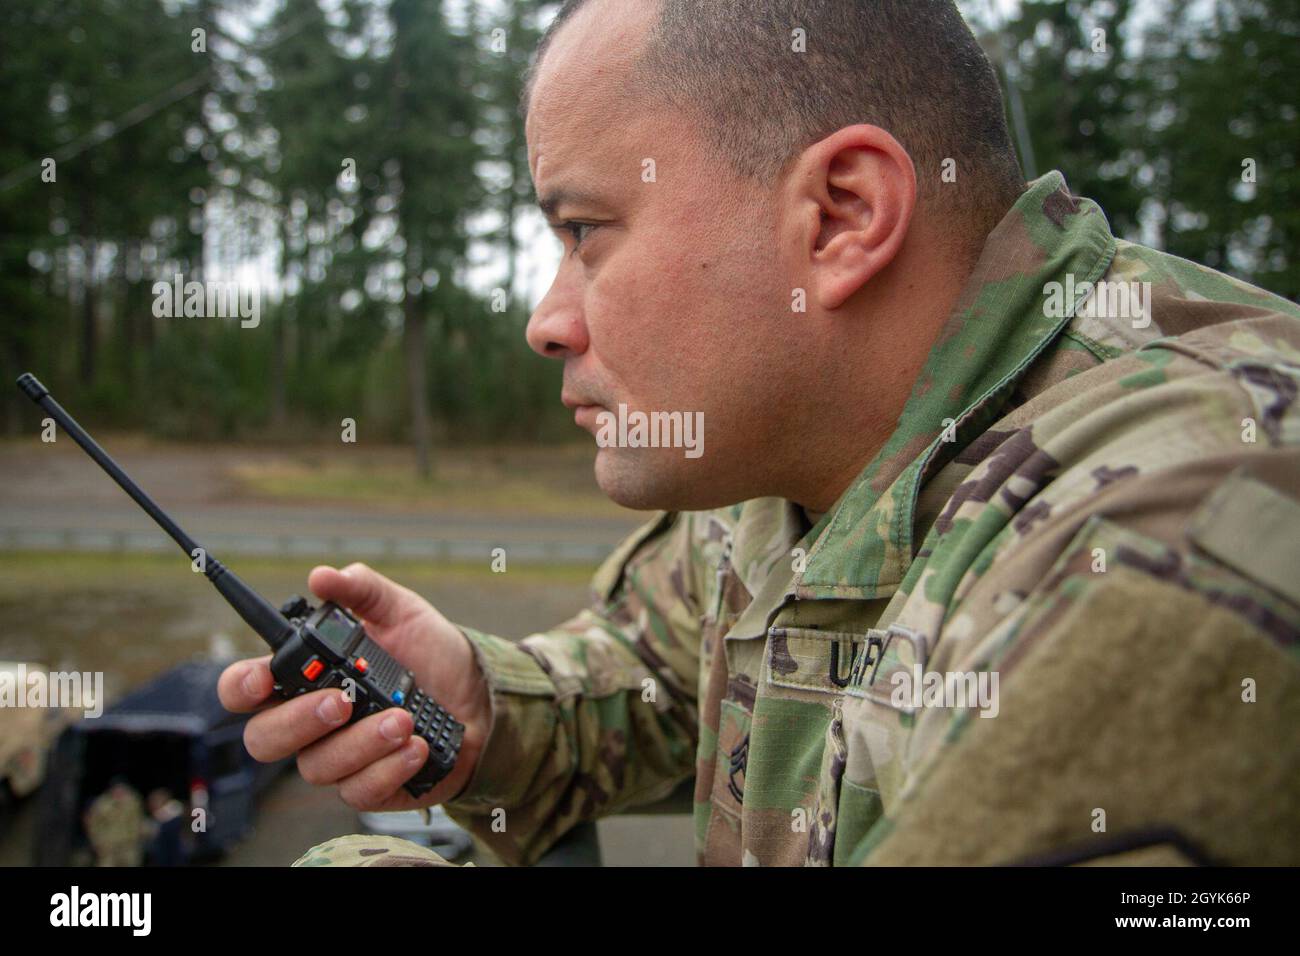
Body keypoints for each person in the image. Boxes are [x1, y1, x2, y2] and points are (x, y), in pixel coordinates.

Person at [219, 0, 1300, 866]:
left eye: (585, 230)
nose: (546, 321)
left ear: (839, 216)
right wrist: (481, 706)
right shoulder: (814, 453)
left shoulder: (1156, 534)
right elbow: (652, 670)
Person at [83, 780, 147, 867]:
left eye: (121, 790)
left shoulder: (133, 802)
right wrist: (96, 841)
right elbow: (93, 824)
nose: (118, 793)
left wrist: (136, 837)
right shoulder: (102, 803)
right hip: (107, 844)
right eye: (116, 790)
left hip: (128, 843)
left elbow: (137, 821)